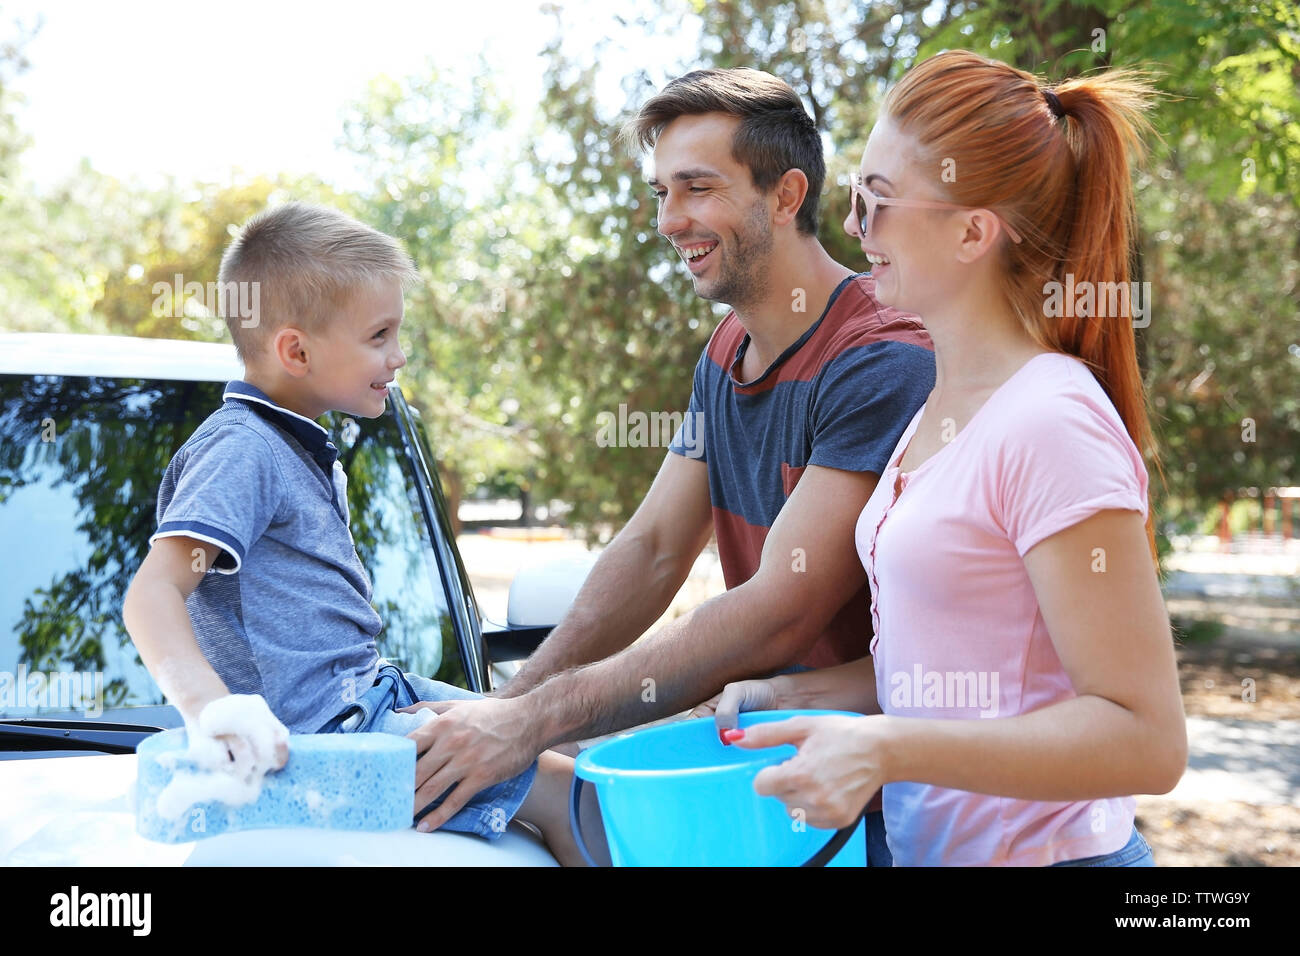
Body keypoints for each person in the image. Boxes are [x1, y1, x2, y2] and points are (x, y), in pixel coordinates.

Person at [404, 69, 935, 866]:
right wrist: (509, 707)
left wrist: (534, 721)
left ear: (787, 195)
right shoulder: (726, 354)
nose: (669, 219)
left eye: (696, 188)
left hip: (882, 806)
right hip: (769, 765)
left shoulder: (881, 358)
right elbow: (653, 548)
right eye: (660, 192)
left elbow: (779, 610)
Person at [702, 50, 1188, 866]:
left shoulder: (1052, 422)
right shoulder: (939, 409)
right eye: (857, 197)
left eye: (878, 202)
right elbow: (949, 675)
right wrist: (795, 696)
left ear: (973, 231)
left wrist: (889, 751)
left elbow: (1146, 737)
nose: (854, 227)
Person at [122, 202, 602, 866]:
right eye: (379, 335)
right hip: (326, 742)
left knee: (563, 743)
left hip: (371, 700)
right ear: (296, 349)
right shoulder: (242, 450)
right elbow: (151, 594)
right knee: (575, 796)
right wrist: (211, 711)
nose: (398, 355)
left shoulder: (295, 446)